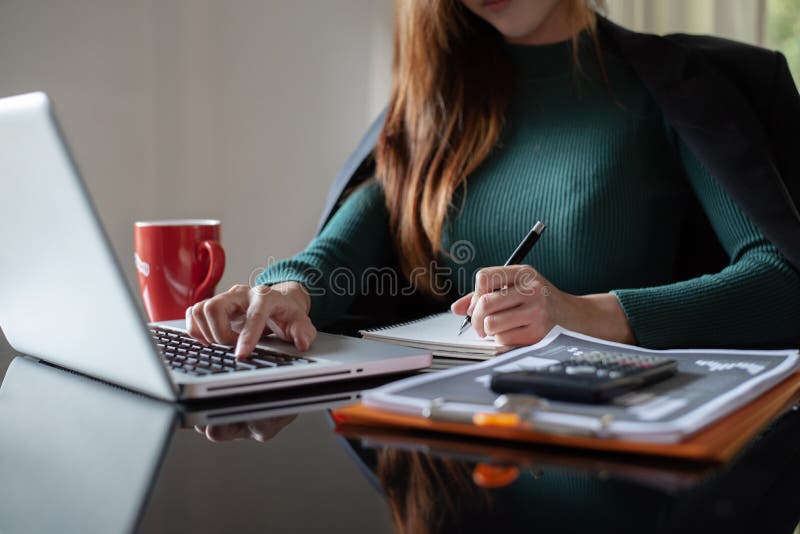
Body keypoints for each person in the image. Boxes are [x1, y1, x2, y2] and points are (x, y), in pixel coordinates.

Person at [186, 0, 800, 357]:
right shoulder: (434, 110)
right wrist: (287, 292)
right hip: (453, 455)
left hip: (621, 461)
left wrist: (581, 314)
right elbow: (337, 251)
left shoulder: (674, 90)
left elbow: (784, 280)